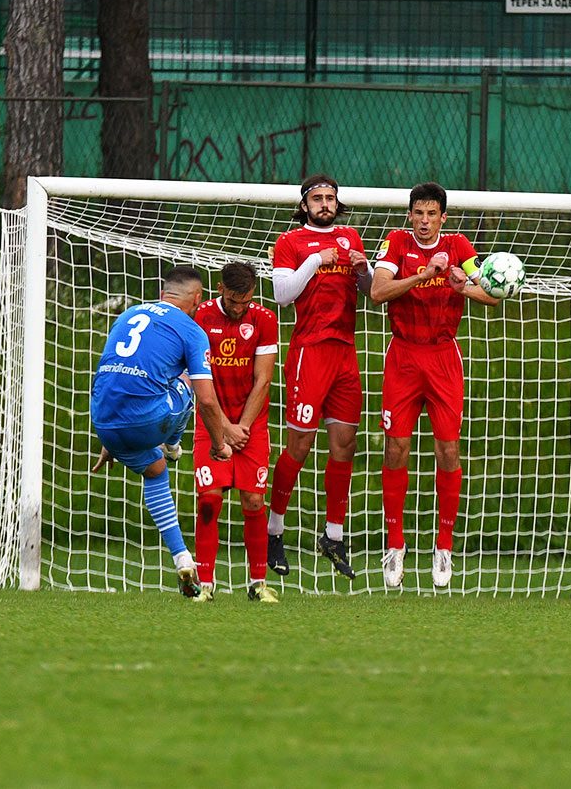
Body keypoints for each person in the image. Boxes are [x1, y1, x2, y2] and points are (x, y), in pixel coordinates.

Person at [369, 182, 500, 589]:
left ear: (443, 217)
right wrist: (424, 274)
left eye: (432, 214)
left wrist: (464, 287)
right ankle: (395, 544)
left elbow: (492, 294)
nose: (424, 222)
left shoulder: (460, 245)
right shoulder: (396, 244)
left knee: (448, 448)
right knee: (396, 447)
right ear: (410, 215)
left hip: (443, 358)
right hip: (404, 358)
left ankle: (444, 546)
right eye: (418, 213)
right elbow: (377, 292)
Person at [90, 265, 231, 599]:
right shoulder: (192, 330)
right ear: (197, 299)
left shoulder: (127, 315)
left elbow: (110, 373)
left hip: (105, 422)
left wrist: (109, 438)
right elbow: (208, 402)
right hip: (148, 420)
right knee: (189, 382)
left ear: (162, 294)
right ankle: (172, 443)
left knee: (154, 471)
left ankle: (182, 557)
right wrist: (219, 444)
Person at [266, 175, 373, 579]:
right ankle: (274, 529)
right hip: (309, 352)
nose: (325, 203)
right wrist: (316, 260)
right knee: (300, 445)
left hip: (346, 352)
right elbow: (281, 294)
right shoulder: (290, 242)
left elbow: (367, 290)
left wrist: (364, 271)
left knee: (345, 445)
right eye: (317, 198)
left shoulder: (351, 236)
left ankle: (333, 535)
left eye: (330, 198)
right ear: (305, 205)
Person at [190, 262, 280, 604]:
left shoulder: (264, 319)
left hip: (250, 424)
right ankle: (206, 583)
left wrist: (241, 428)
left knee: (254, 500)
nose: (239, 308)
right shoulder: (201, 318)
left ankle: (258, 583)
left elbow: (264, 379)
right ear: (220, 289)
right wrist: (223, 428)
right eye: (233, 301)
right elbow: (199, 379)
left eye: (245, 301)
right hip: (212, 420)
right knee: (210, 498)